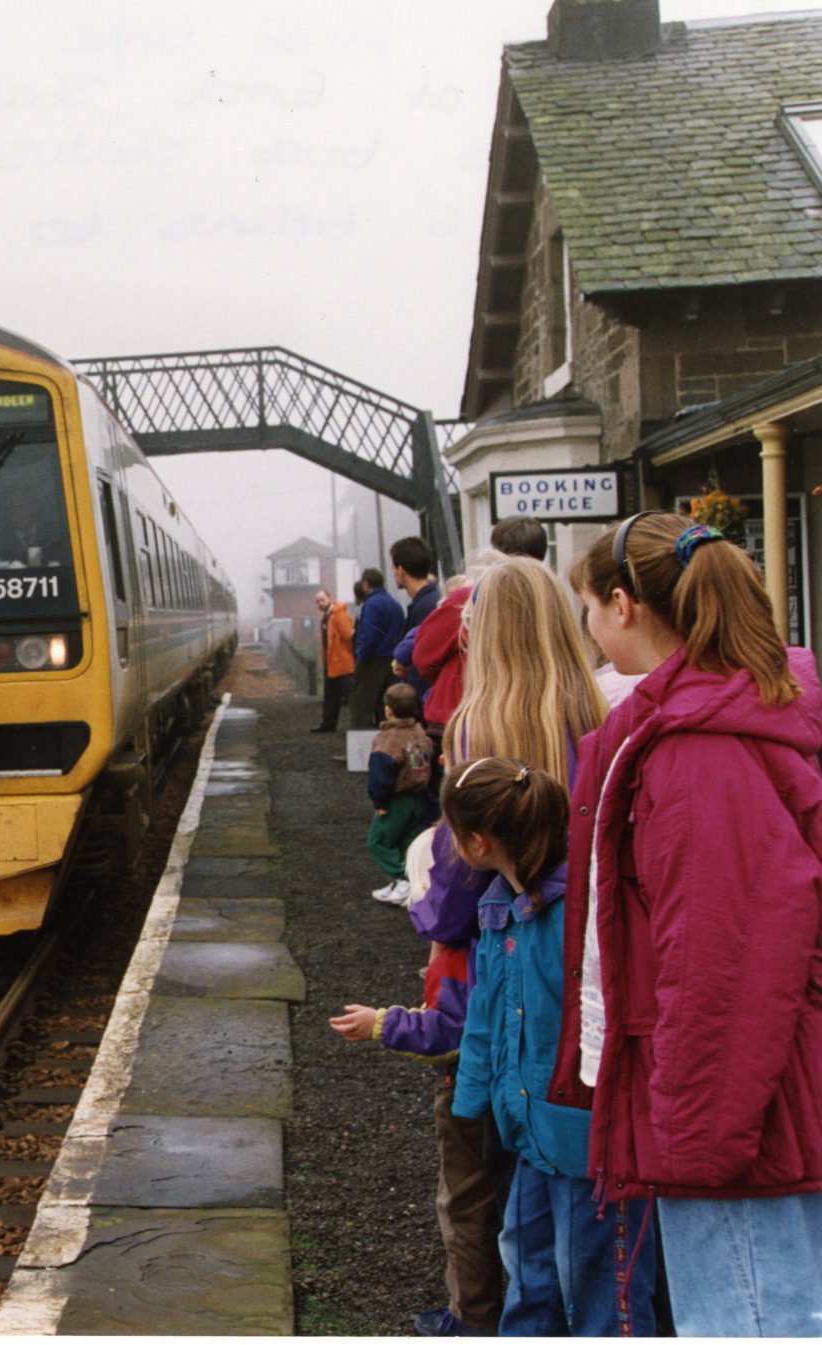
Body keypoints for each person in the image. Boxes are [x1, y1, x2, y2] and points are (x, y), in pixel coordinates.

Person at [563, 512, 822, 1337]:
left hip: (734, 1125)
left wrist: (693, 1137)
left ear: (623, 605)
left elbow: (727, 958)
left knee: (746, 1318)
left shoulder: (692, 752)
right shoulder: (716, 719)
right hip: (754, 1101)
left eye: (590, 609)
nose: (590, 629)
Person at [400, 555, 612, 1338]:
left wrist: (423, 906)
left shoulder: (477, 725)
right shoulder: (598, 710)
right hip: (583, 962)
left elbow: (456, 893)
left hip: (492, 965)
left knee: (479, 1165)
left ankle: (477, 1316)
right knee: (565, 1180)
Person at [443, 757, 657, 1335]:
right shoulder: (498, 909)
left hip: (590, 1141)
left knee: (598, 1283)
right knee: (530, 1263)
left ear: (478, 842)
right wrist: (472, 1108)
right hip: (532, 1130)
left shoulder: (580, 915)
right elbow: (484, 1023)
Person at [409, 518, 550, 733]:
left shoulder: (470, 599)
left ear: (495, 550)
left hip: (465, 711)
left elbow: (424, 655)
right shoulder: (549, 599)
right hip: (529, 711)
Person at [366, 681, 435, 903]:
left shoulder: (387, 741)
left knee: (378, 842)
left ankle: (402, 879)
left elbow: (380, 776)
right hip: (417, 796)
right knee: (407, 842)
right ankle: (406, 881)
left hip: (396, 800)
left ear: (389, 709)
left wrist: (380, 802)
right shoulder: (420, 734)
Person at [349, 567, 403, 727]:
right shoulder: (395, 603)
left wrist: (361, 658)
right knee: (386, 706)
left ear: (366, 584)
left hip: (373, 660)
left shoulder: (371, 604)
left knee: (362, 705)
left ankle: (360, 745)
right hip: (392, 660)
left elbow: (369, 635)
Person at [387, 535, 441, 696]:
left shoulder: (426, 607)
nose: (393, 571)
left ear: (401, 570)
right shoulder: (431, 601)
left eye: (394, 567)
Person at [312, 589, 354, 733]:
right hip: (331, 663)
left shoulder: (338, 614)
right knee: (330, 695)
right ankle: (328, 724)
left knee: (350, 694)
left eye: (322, 600)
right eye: (318, 601)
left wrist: (348, 656)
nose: (320, 603)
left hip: (342, 663)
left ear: (329, 598)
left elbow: (348, 636)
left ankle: (359, 725)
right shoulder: (327, 617)